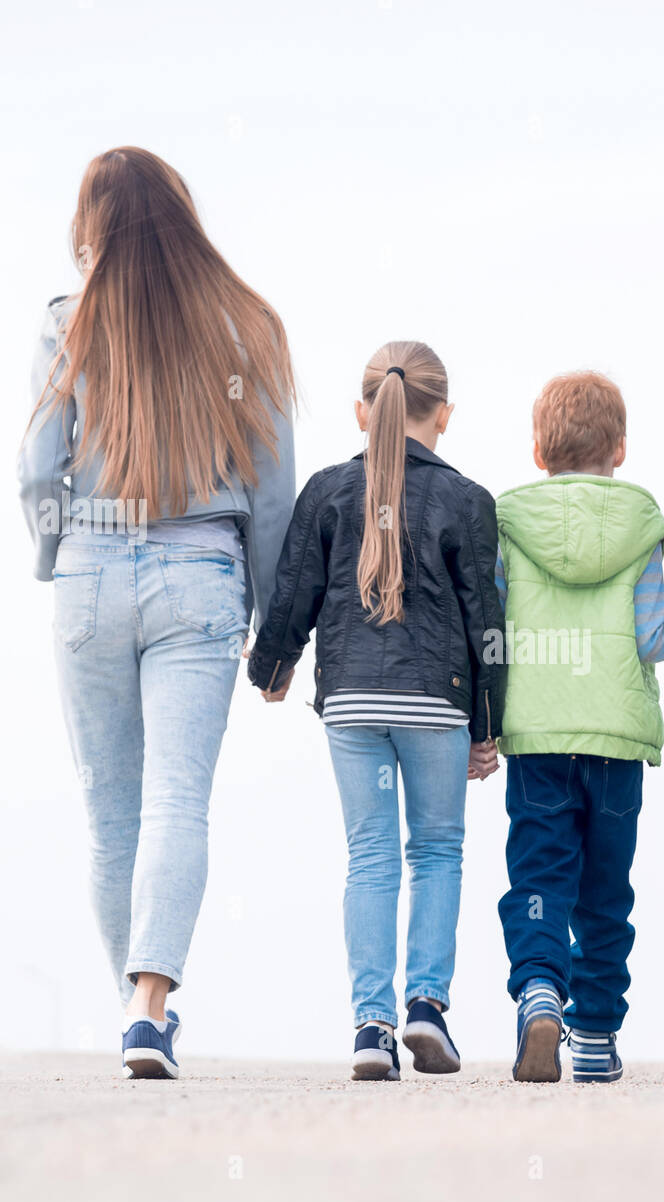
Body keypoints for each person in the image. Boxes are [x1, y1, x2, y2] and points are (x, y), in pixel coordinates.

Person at [17, 147, 296, 1079]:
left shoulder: (68, 324)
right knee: (178, 800)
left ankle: (136, 1019)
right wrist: (272, 628)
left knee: (110, 814)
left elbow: (34, 471)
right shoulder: (248, 328)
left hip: (93, 563)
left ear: (91, 224)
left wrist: (64, 558)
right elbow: (271, 492)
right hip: (200, 570)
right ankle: (150, 1007)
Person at [247, 341, 504, 1081]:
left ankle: (371, 1026)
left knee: (369, 856)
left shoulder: (327, 492)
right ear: (444, 415)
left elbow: (293, 592)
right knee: (436, 851)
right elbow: (488, 625)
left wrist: (272, 668)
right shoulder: (467, 500)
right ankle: (426, 1007)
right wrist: (487, 729)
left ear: (362, 411)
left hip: (352, 700)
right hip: (436, 703)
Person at [496, 371, 664, 1083]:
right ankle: (593, 1034)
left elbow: (493, 634)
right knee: (604, 891)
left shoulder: (505, 524)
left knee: (539, 876)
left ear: (538, 451)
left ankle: (539, 990)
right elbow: (652, 638)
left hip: (535, 737)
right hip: (615, 743)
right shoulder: (640, 526)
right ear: (618, 450)